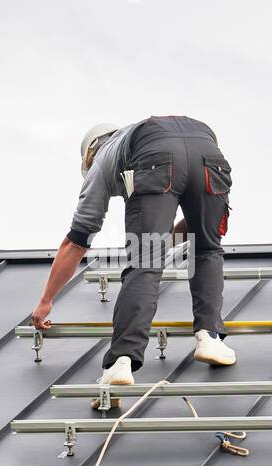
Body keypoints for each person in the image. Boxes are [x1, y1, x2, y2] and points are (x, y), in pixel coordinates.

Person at [30, 116, 237, 408]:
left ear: (91, 152)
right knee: (207, 249)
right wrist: (157, 246)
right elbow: (192, 227)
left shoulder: (102, 160)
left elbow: (77, 239)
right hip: (208, 150)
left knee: (144, 264)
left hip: (157, 154)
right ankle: (210, 337)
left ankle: (120, 362)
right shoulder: (131, 140)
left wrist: (46, 301)